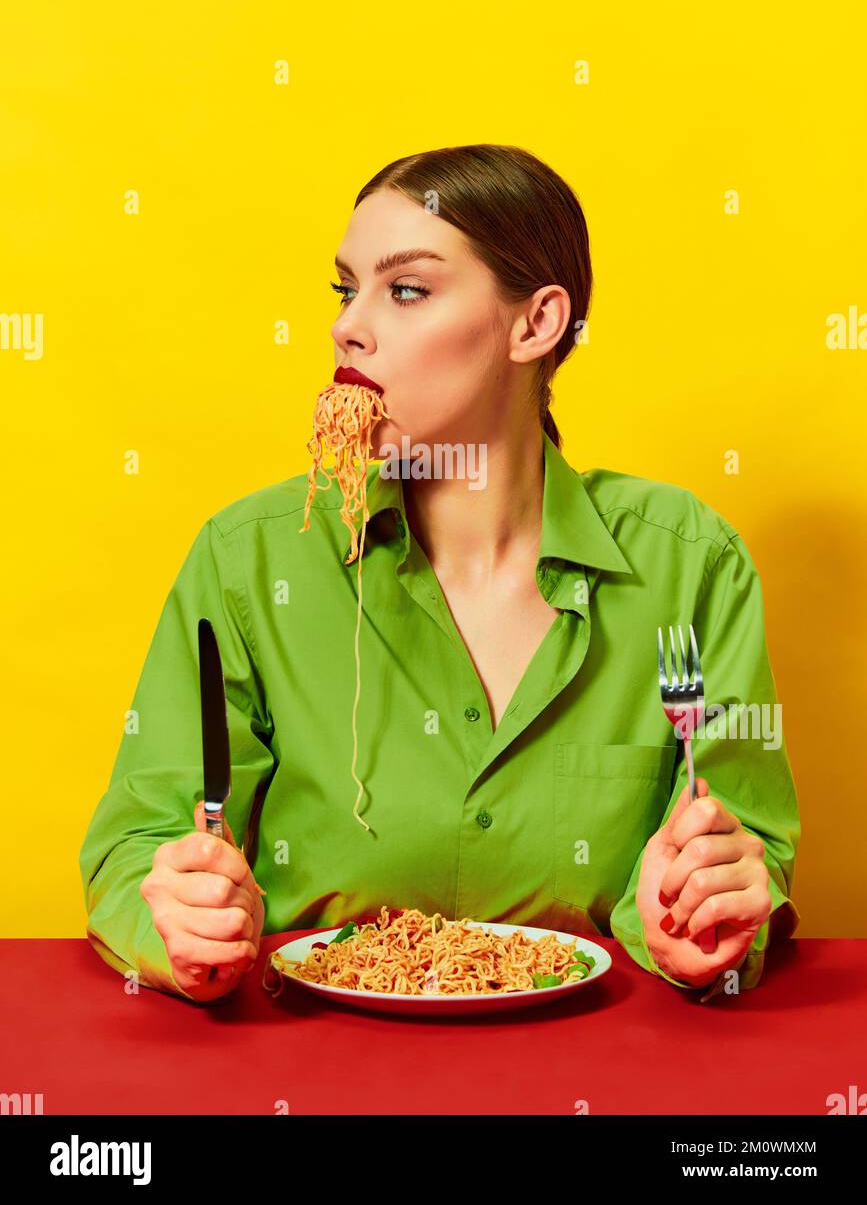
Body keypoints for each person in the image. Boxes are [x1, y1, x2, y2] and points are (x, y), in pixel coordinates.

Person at [78, 143, 800, 1005]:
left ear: (534, 324)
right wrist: (176, 921)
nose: (348, 326)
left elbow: (746, 845)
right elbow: (140, 844)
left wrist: (698, 920)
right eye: (346, 290)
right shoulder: (251, 559)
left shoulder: (688, 563)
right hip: (308, 1052)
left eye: (407, 289)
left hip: (595, 1058)